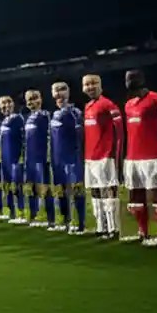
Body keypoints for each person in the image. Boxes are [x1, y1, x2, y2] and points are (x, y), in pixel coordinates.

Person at [122, 69, 157, 247]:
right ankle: (142, 233)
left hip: (153, 156)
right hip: (132, 157)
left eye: (133, 78)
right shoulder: (128, 105)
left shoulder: (156, 99)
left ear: (142, 79)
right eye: (128, 78)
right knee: (136, 197)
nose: (130, 81)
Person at [81, 74, 123, 240]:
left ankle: (113, 228)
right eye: (87, 84)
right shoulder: (88, 106)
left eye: (94, 83)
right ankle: (101, 226)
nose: (90, 87)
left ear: (100, 85)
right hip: (90, 157)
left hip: (105, 155)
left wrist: (117, 153)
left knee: (109, 189)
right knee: (95, 190)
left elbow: (119, 130)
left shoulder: (108, 104)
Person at [50, 81, 86, 234]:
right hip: (57, 160)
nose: (59, 93)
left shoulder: (75, 112)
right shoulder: (54, 114)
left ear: (69, 92)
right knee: (61, 191)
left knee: (76, 190)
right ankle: (66, 221)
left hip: (72, 158)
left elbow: (80, 137)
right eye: (56, 90)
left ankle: (80, 224)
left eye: (63, 89)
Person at [23, 89, 54, 228]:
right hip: (30, 159)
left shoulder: (45, 116)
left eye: (35, 98)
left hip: (42, 158)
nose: (32, 102)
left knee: (45, 188)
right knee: (31, 188)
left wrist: (48, 155)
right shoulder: (27, 118)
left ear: (41, 99)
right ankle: (33, 215)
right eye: (29, 99)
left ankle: (51, 219)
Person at [0, 95, 27, 224]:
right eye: (3, 103)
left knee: (17, 187)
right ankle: (12, 212)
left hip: (15, 158)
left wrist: (21, 157)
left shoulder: (18, 119)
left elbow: (23, 139)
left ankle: (21, 212)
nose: (6, 106)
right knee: (8, 187)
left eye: (8, 102)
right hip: (5, 160)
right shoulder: (3, 122)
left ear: (13, 104)